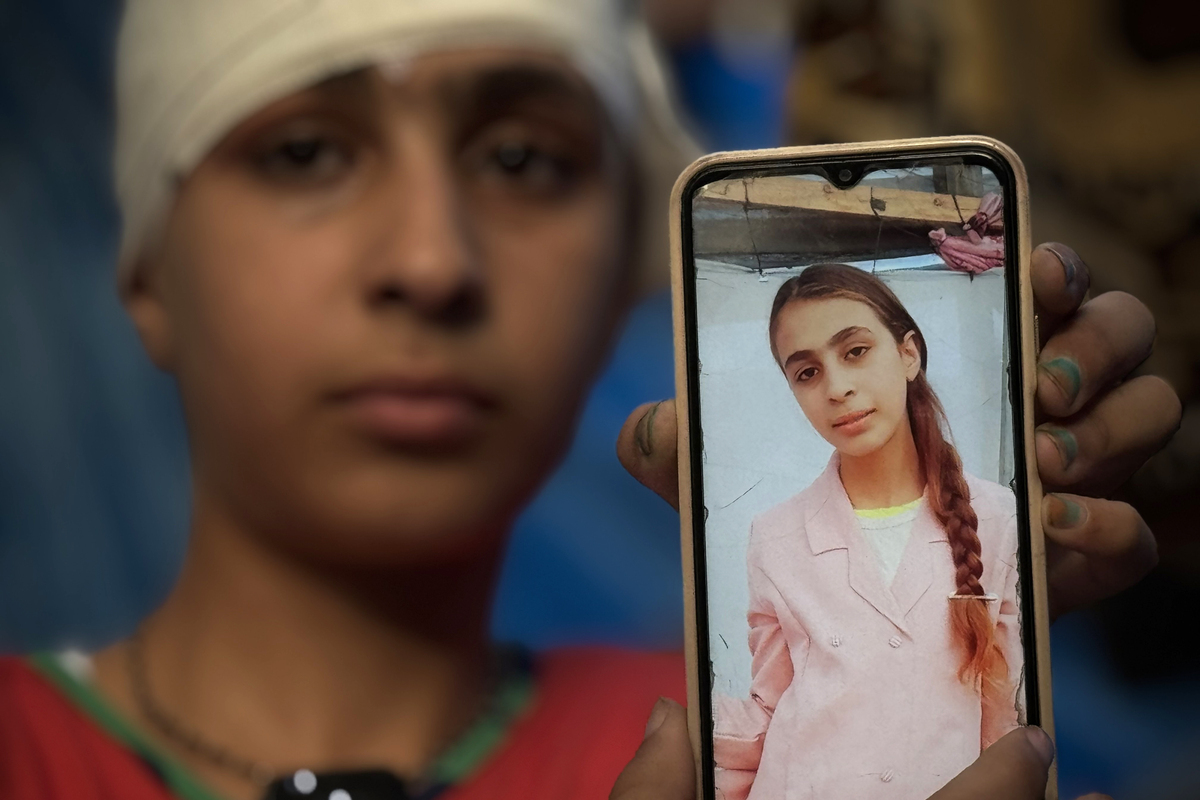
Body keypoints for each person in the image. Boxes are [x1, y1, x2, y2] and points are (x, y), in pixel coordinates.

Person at [0, 1, 1179, 799]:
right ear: (147, 274)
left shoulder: (769, 745)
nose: (431, 259)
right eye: (306, 152)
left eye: (523, 159)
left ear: (629, 268)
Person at [712, 263, 1023, 799]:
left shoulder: (996, 518)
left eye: (855, 351)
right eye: (806, 372)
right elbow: (767, 708)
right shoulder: (774, 535)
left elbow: (1004, 718)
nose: (837, 388)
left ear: (908, 354)